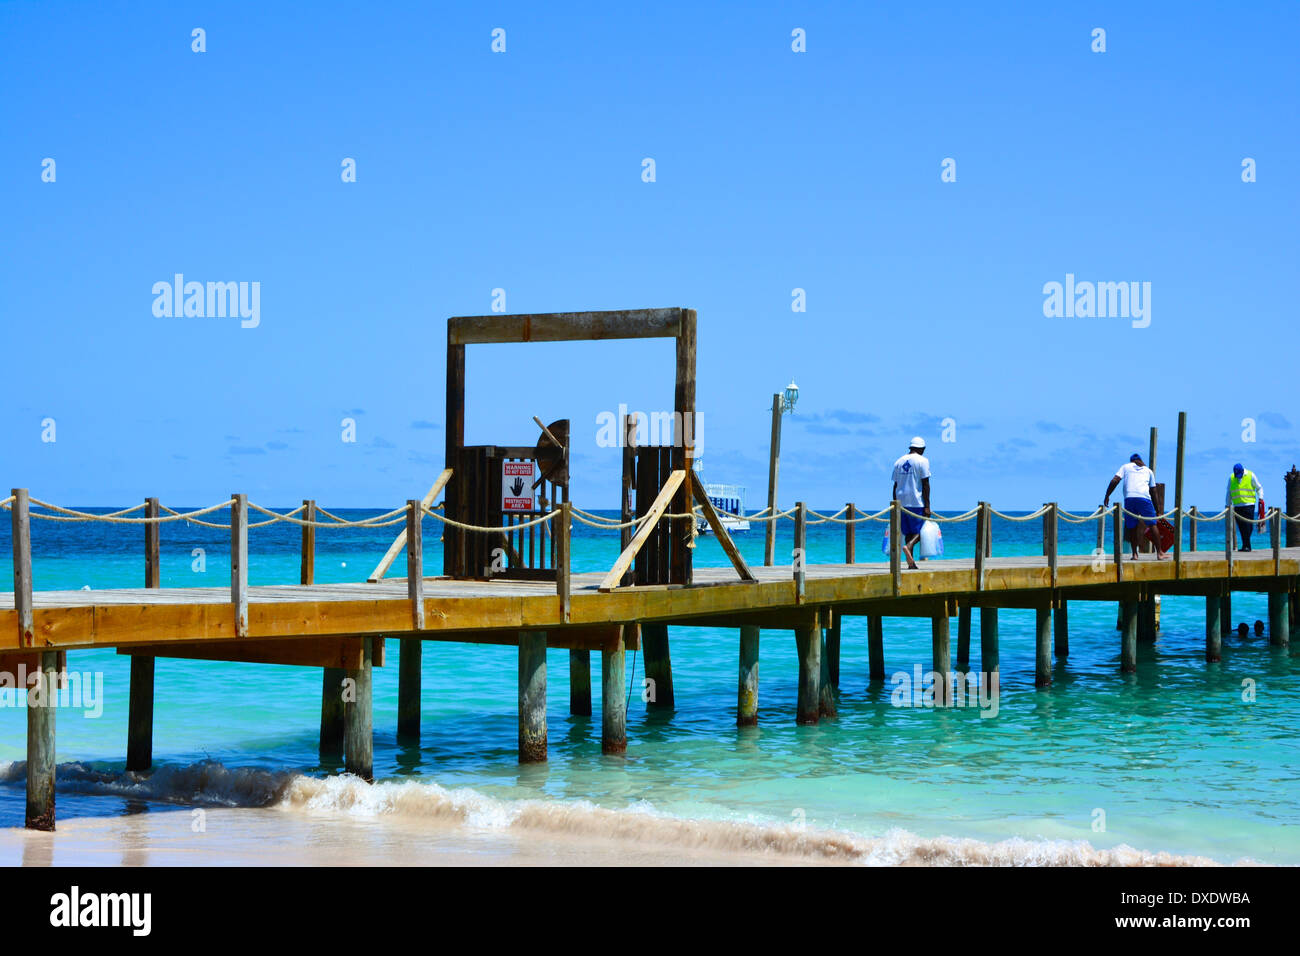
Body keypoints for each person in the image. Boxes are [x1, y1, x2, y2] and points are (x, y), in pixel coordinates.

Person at [1103, 453, 1167, 561]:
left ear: (1131, 461)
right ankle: (1159, 553)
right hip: (1144, 499)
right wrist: (1158, 510)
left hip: (1130, 499)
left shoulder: (1125, 467)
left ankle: (1134, 554)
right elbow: (1153, 491)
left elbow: (1115, 480)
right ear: (1140, 461)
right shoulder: (1148, 470)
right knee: (1152, 525)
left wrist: (1107, 495)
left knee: (1132, 527)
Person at [891, 436, 931, 570]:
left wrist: (894, 504)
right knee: (922, 530)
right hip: (916, 501)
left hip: (900, 502)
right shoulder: (923, 461)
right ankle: (908, 547)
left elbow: (895, 485)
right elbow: (925, 484)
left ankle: (911, 563)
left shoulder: (898, 461)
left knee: (908, 532)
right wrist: (927, 506)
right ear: (922, 449)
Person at [1225, 463, 1265, 551]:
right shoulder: (1231, 478)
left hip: (1249, 505)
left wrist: (1260, 498)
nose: (1238, 477)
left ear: (1243, 471)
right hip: (1237, 506)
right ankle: (1246, 546)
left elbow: (1259, 487)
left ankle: (1247, 545)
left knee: (1248, 526)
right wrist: (1227, 505)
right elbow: (1229, 492)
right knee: (1242, 527)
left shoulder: (1251, 475)